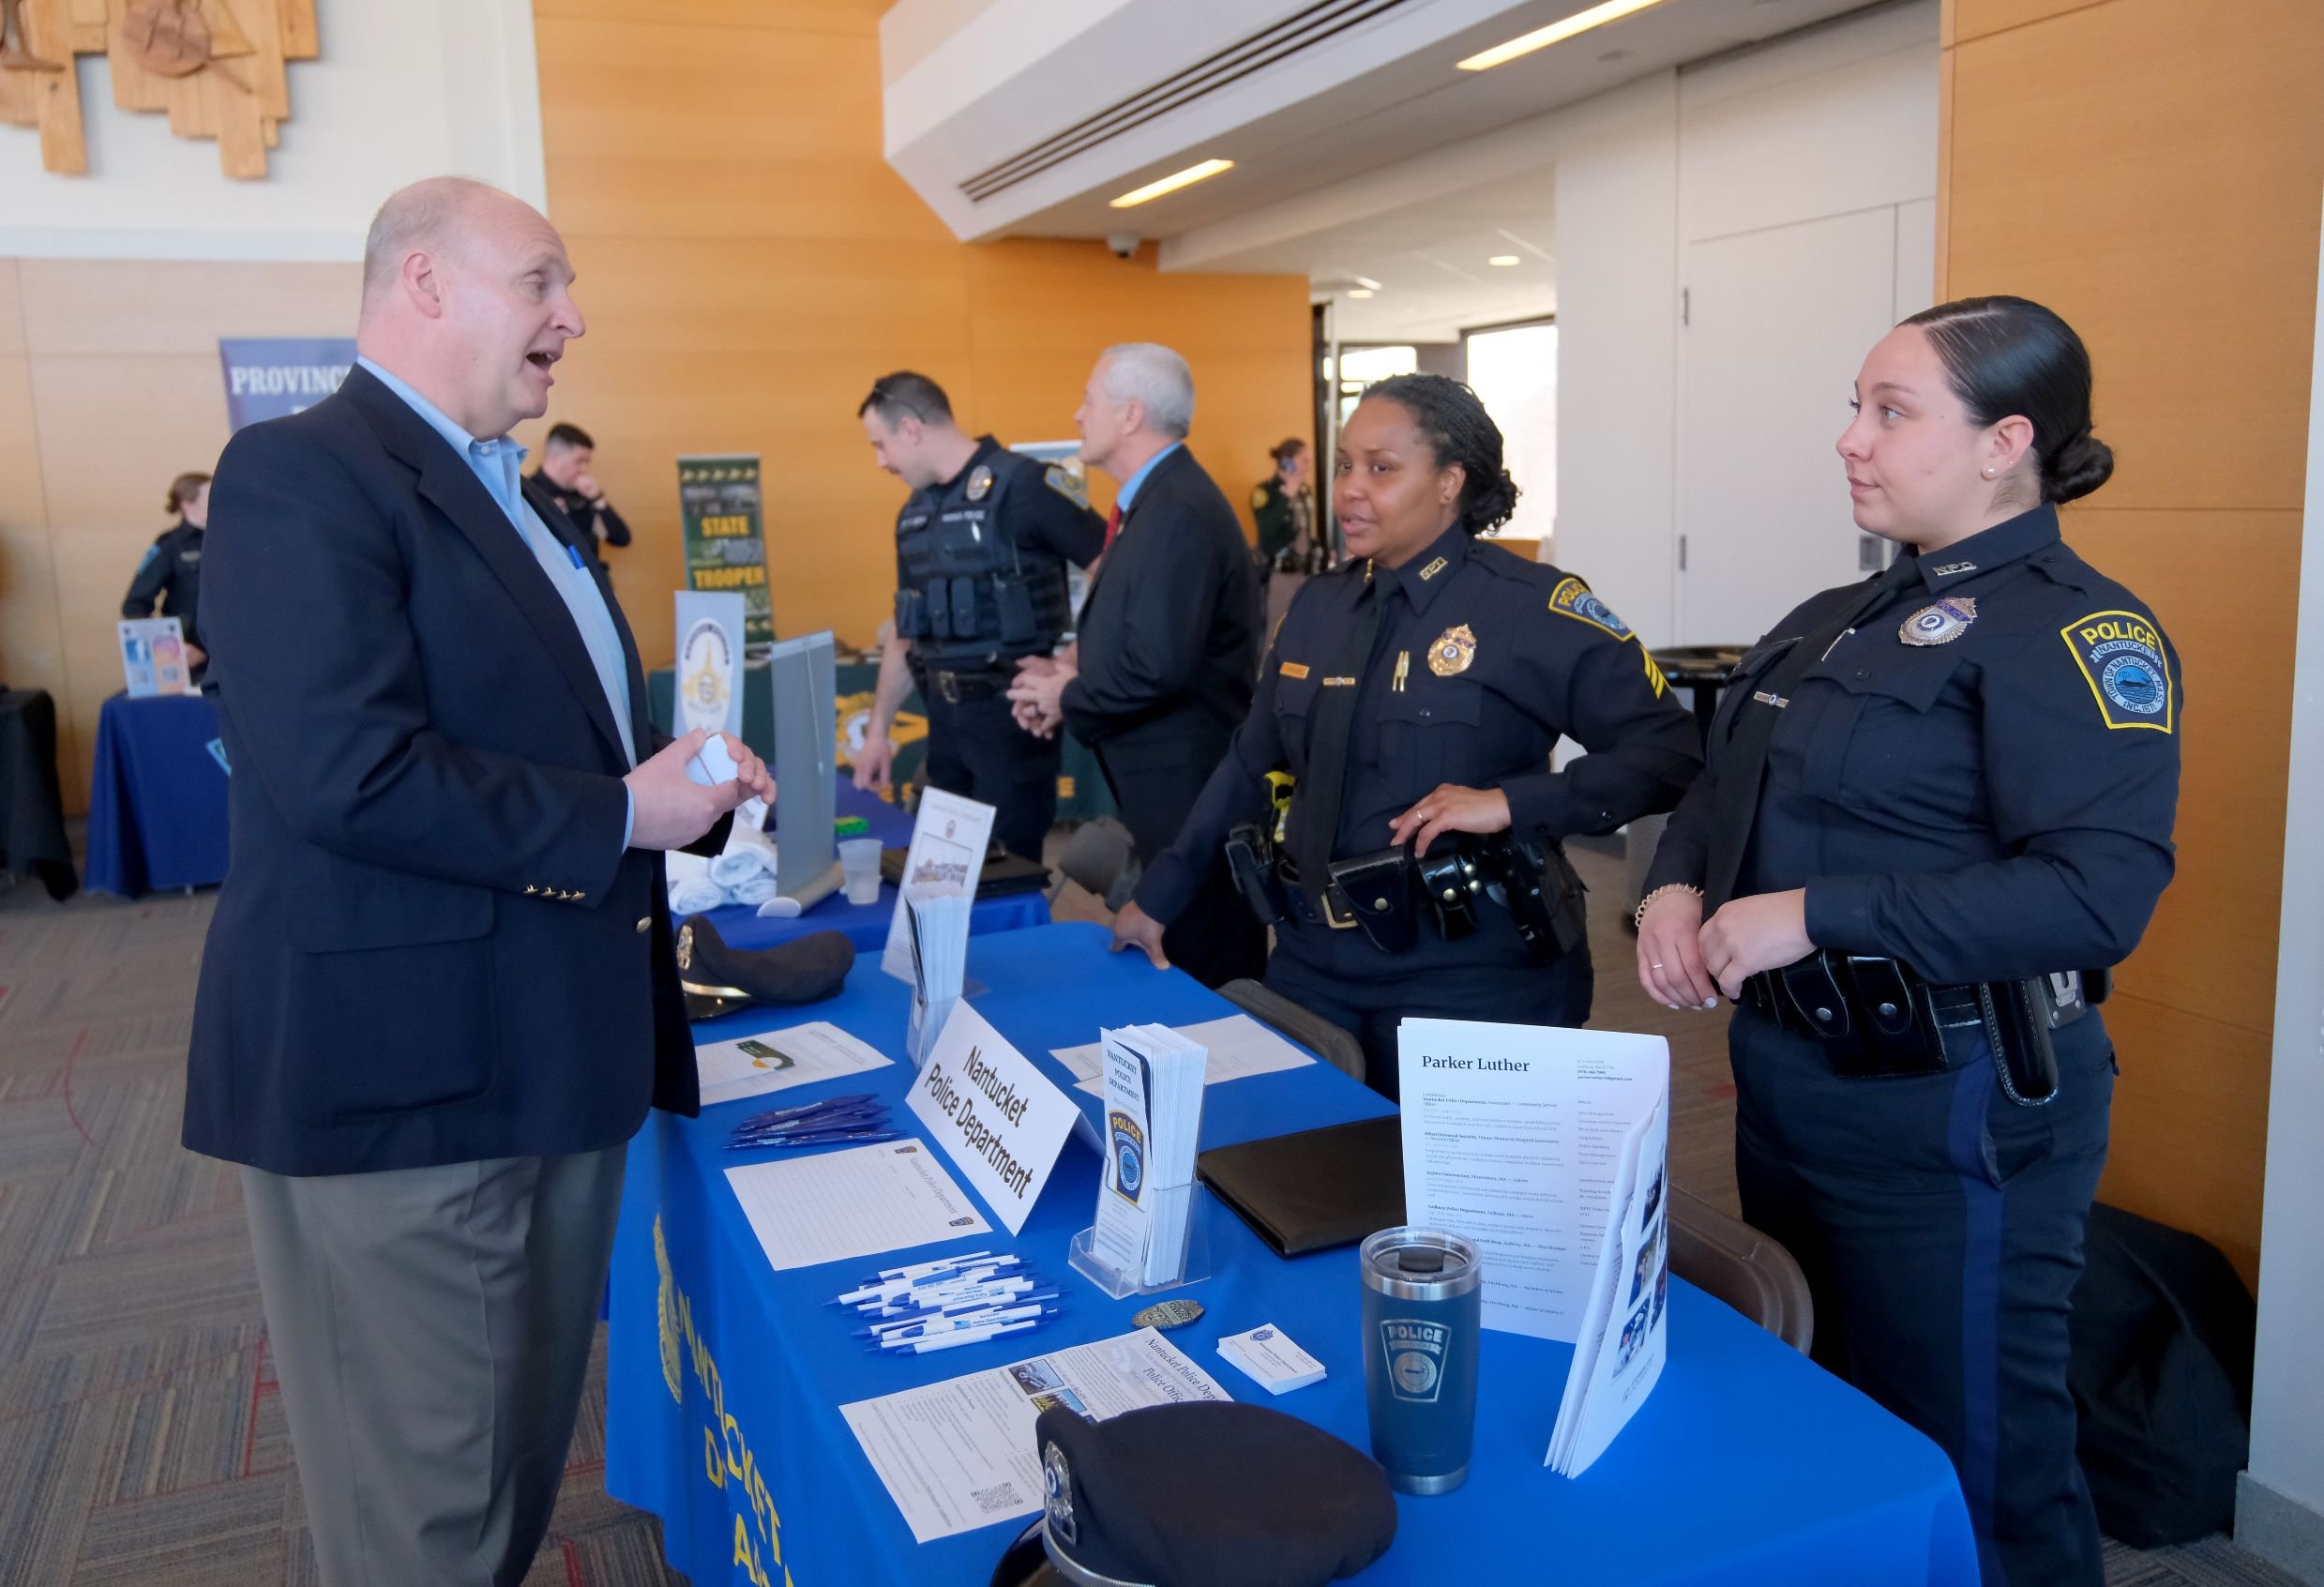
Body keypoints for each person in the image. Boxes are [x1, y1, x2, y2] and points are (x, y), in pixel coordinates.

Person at [184, 176, 771, 1587]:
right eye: (543, 282)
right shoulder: (299, 474)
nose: (574, 319)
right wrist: (623, 809)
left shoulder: (508, 497)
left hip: (543, 1065)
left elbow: (531, 743)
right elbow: (349, 775)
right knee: (425, 1515)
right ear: (424, 283)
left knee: (501, 1481)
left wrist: (668, 786)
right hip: (407, 1095)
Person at [1635, 295, 2180, 1587]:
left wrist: (1815, 913)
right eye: (1854, 407)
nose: (1848, 440)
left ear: (2003, 443)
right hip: (1789, 1087)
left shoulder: (2072, 632)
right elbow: (1723, 786)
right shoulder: (1835, 614)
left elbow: (2096, 895)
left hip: (1953, 1112)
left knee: (1977, 1459)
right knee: (1823, 1420)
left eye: (1889, 412)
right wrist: (1670, 887)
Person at [1109, 374, 1701, 1088]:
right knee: (1300, 1184)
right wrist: (1161, 893)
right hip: (1309, 963)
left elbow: (1670, 751)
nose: (1351, 488)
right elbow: (1248, 763)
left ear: (1450, 482)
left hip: (1468, 979)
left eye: (1381, 469)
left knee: (1443, 1198)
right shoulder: (1319, 607)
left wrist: (1516, 802)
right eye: (1345, 465)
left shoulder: (1529, 607)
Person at [1008, 343, 1267, 989]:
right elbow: (1135, 636)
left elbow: (1156, 666)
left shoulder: (1175, 510)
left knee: (1205, 973)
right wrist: (1063, 678)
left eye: (1088, 400)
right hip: (1170, 787)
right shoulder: (1155, 502)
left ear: (1129, 415)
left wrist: (1067, 697)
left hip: (1192, 792)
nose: (1076, 415)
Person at [853, 370, 1105, 859]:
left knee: (1006, 881)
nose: (881, 461)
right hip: (944, 730)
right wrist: (878, 732)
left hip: (1013, 725)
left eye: (881, 445)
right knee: (942, 878)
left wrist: (1071, 662)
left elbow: (1119, 574)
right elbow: (906, 633)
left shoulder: (1028, 485)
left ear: (911, 428)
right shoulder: (913, 513)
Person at [122, 471, 212, 673]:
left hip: (229, 657)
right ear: (188, 505)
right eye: (210, 496)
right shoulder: (170, 544)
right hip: (193, 661)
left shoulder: (228, 540)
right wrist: (173, 647)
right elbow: (134, 605)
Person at [523, 419, 631, 565]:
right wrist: (593, 536)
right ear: (555, 459)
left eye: (587, 462)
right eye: (579, 461)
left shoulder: (583, 492)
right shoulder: (529, 493)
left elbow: (622, 539)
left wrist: (597, 498)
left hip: (594, 580)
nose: (584, 469)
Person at [1253, 436, 1327, 635]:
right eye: (1304, 460)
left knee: (1306, 629)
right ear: (1287, 461)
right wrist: (1287, 495)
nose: (1308, 466)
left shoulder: (1305, 492)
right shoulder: (1265, 492)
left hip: (1306, 572)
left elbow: (1305, 529)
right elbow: (1267, 529)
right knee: (1278, 631)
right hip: (1281, 575)